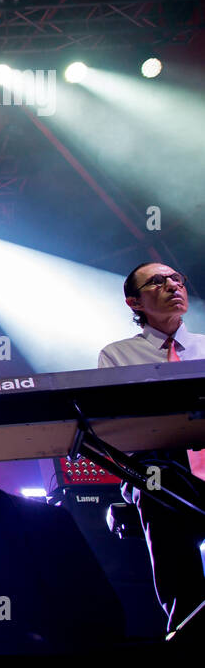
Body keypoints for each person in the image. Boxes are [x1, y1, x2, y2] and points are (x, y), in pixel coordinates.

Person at [98, 262, 205, 632]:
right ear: (134, 302)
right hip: (159, 463)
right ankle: (186, 622)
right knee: (157, 480)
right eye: (157, 281)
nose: (172, 285)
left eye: (177, 278)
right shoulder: (116, 356)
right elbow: (118, 431)